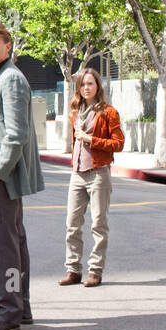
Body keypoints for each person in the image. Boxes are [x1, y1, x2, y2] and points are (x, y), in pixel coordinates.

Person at [0, 22, 44, 330]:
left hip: (1, 174)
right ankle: (20, 305)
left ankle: (8, 313)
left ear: (8, 46)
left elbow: (17, 135)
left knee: (5, 245)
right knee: (14, 241)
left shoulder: (11, 79)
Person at [60, 67, 124, 288]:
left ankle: (95, 271)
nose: (86, 88)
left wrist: (91, 139)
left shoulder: (108, 112)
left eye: (90, 84)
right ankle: (73, 269)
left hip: (98, 172)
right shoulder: (75, 112)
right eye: (83, 84)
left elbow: (118, 143)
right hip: (77, 173)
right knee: (72, 224)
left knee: (98, 224)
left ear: (98, 87)